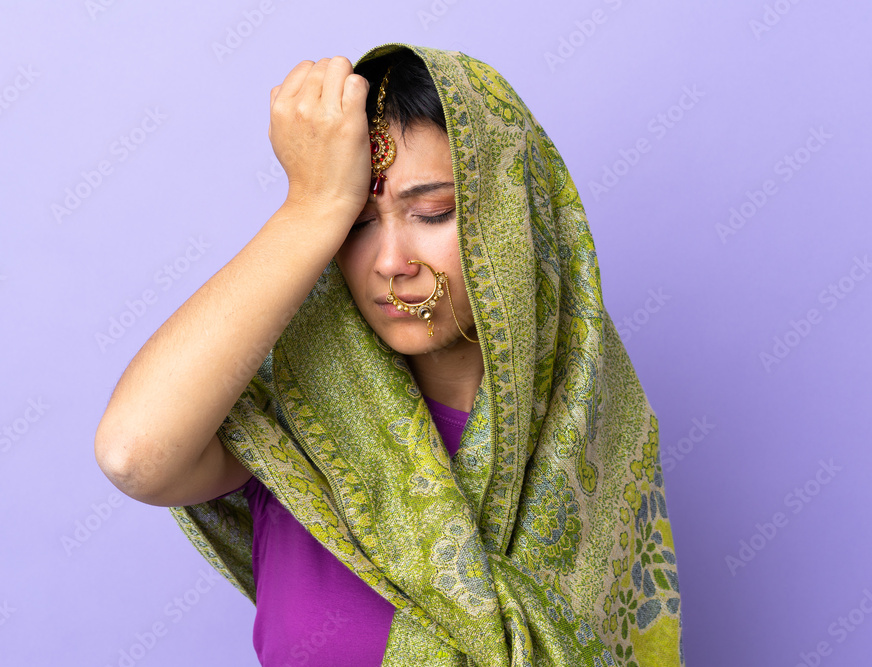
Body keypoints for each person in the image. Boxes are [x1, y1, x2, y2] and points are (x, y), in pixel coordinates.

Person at [95, 42, 685, 666]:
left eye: (432, 212)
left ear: (511, 218)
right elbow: (133, 454)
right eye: (358, 223)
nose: (391, 263)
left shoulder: (594, 439)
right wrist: (312, 207)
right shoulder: (296, 433)